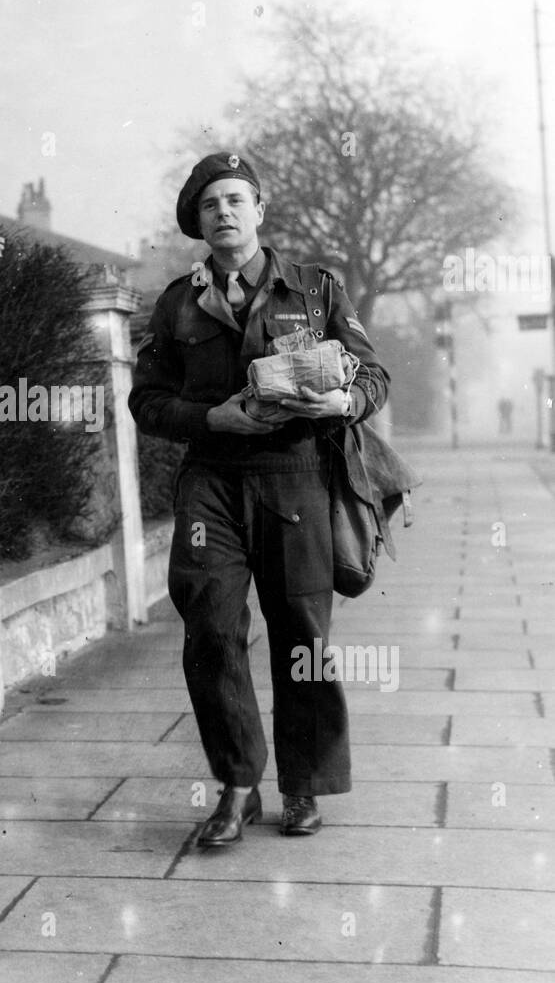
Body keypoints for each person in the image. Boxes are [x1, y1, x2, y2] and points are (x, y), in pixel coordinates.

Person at [129, 151, 389, 845]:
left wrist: (345, 399)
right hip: (210, 480)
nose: (223, 213)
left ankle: (302, 786)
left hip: (295, 474)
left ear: (259, 210)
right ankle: (237, 786)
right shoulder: (176, 303)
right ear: (197, 220)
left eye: (235, 200)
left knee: (301, 634)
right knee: (210, 629)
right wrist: (211, 417)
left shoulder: (314, 289)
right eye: (210, 203)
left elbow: (374, 375)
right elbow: (146, 402)